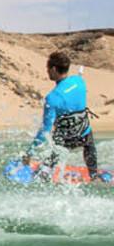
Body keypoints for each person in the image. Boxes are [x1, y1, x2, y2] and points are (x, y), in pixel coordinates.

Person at [23, 50, 106, 182]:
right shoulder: (79, 81)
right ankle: (94, 175)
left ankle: (44, 174)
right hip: (83, 134)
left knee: (55, 149)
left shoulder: (52, 98)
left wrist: (29, 153)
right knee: (88, 143)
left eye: (48, 68)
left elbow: (45, 130)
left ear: (54, 69)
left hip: (64, 139)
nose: (47, 71)